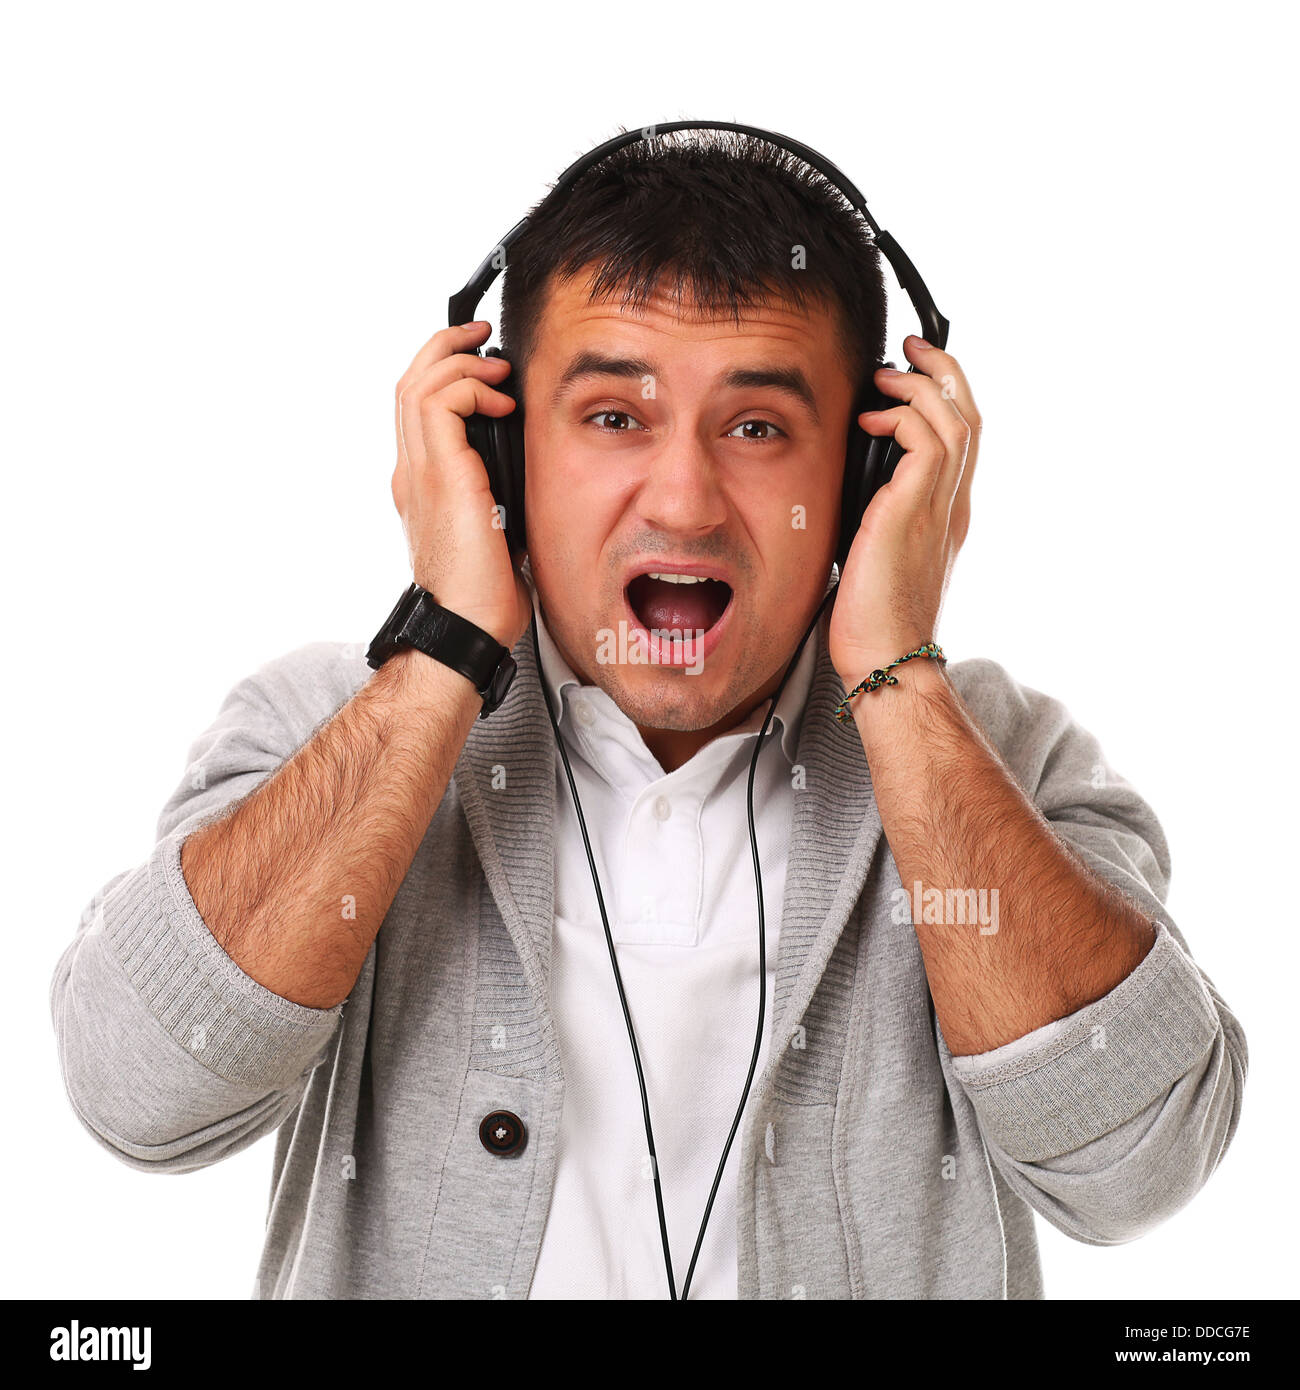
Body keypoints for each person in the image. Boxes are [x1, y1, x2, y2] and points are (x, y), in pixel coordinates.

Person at [50, 128, 1246, 1300]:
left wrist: (896, 676)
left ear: (868, 474)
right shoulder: (330, 724)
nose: (684, 499)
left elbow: (1135, 1168)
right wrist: (447, 649)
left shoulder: (1005, 758)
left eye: (759, 427)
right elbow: (141, 1095)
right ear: (501, 454)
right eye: (614, 417)